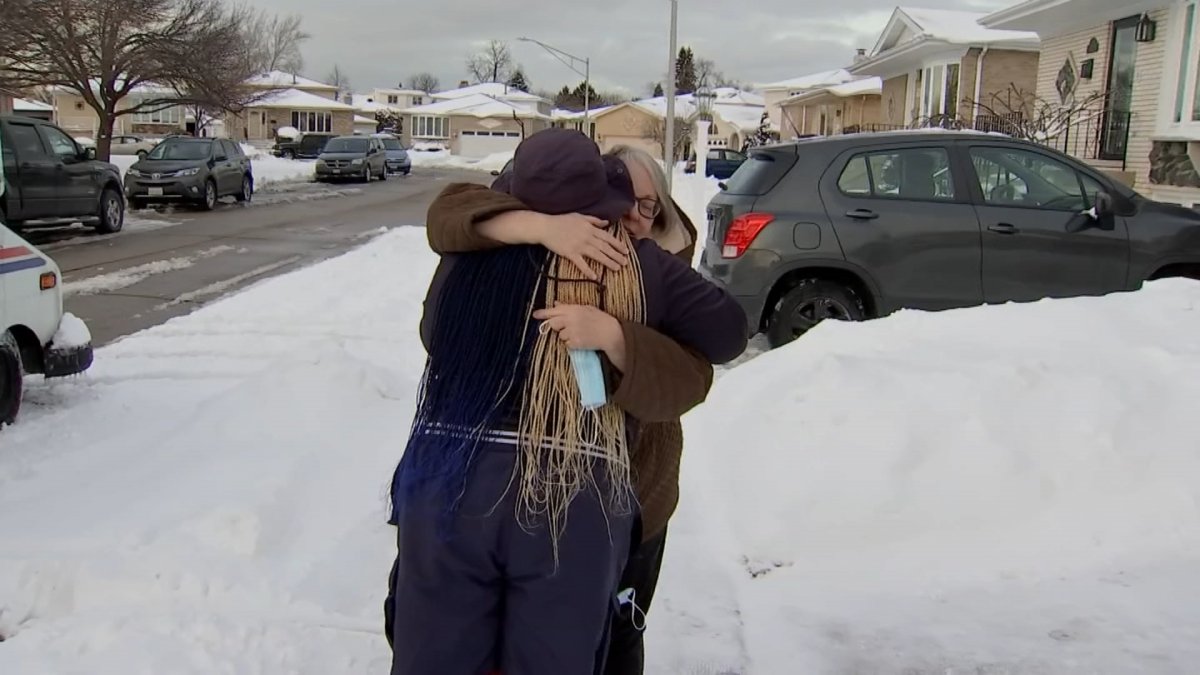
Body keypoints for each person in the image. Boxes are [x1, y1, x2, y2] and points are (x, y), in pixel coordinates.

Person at [387, 129, 746, 675]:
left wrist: (616, 338)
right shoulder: (637, 266)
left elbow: (434, 334)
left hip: (451, 477)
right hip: (573, 490)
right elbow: (728, 333)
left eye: (648, 207)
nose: (633, 218)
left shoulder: (466, 255)